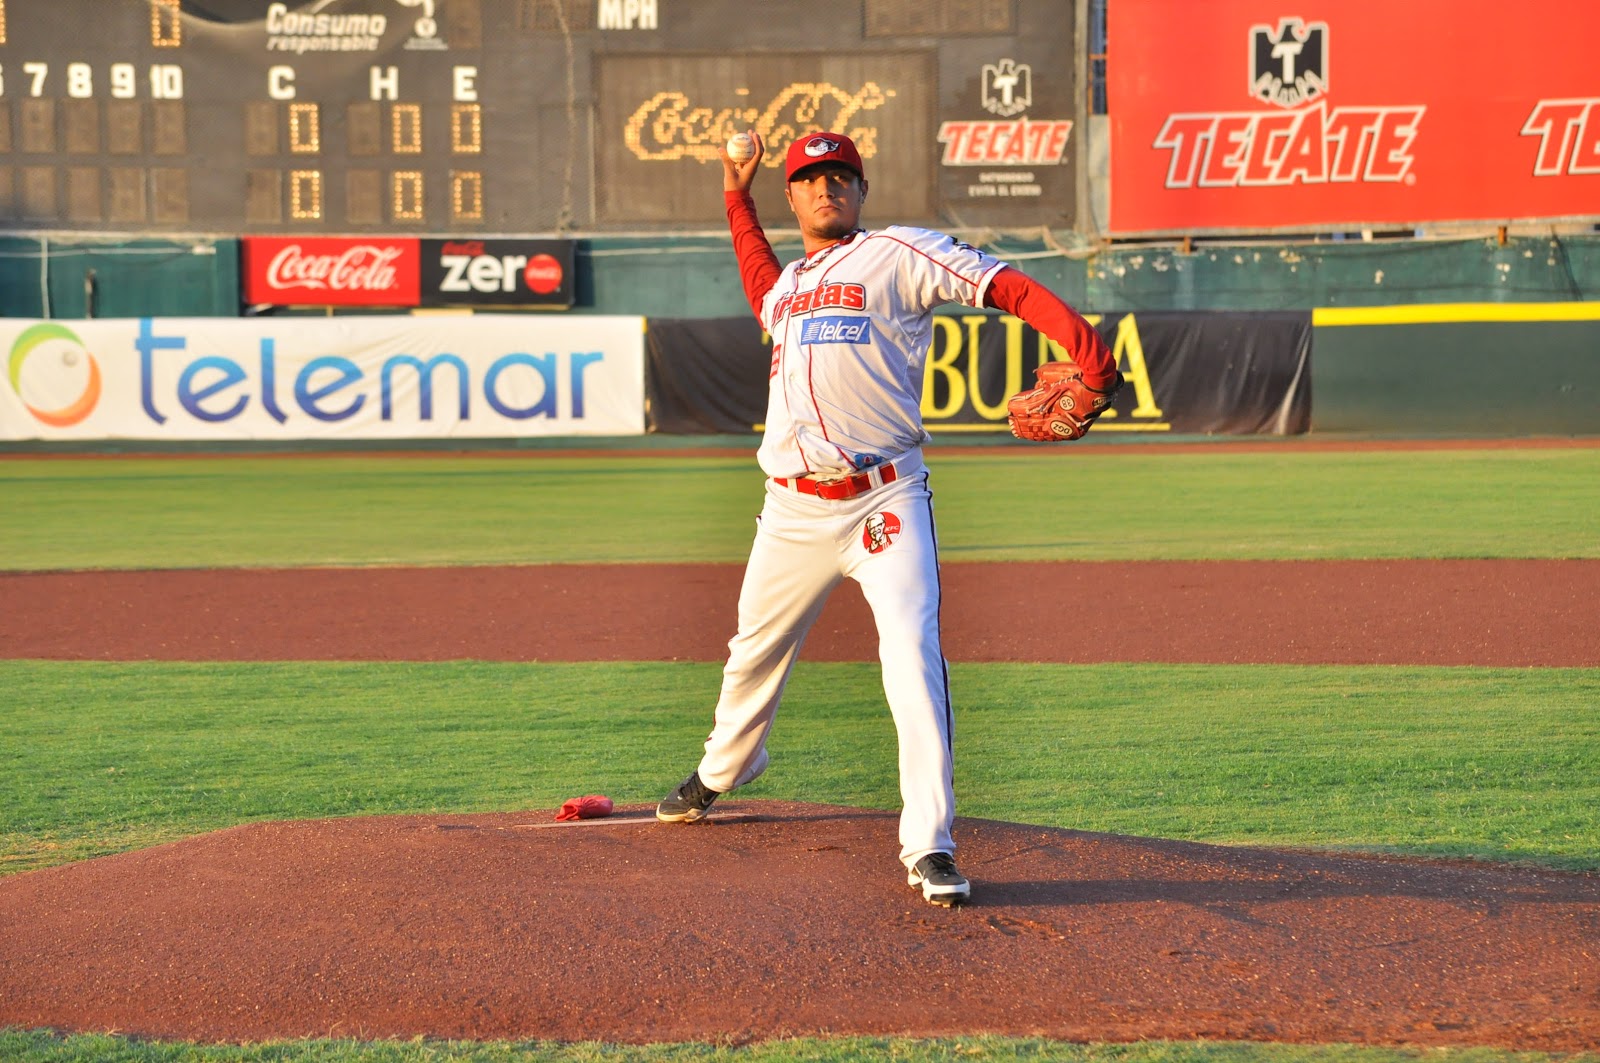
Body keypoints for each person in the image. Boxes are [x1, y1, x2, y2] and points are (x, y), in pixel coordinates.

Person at [655, 130, 1119, 907]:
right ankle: (723, 769)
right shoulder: (789, 286)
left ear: (861, 193)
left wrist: (1092, 359)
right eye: (809, 178)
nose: (826, 187)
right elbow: (758, 276)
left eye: (840, 176)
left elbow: (1007, 286)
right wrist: (737, 196)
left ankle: (930, 843)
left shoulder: (901, 253)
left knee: (911, 657)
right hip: (793, 510)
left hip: (885, 499)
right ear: (793, 195)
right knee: (749, 655)